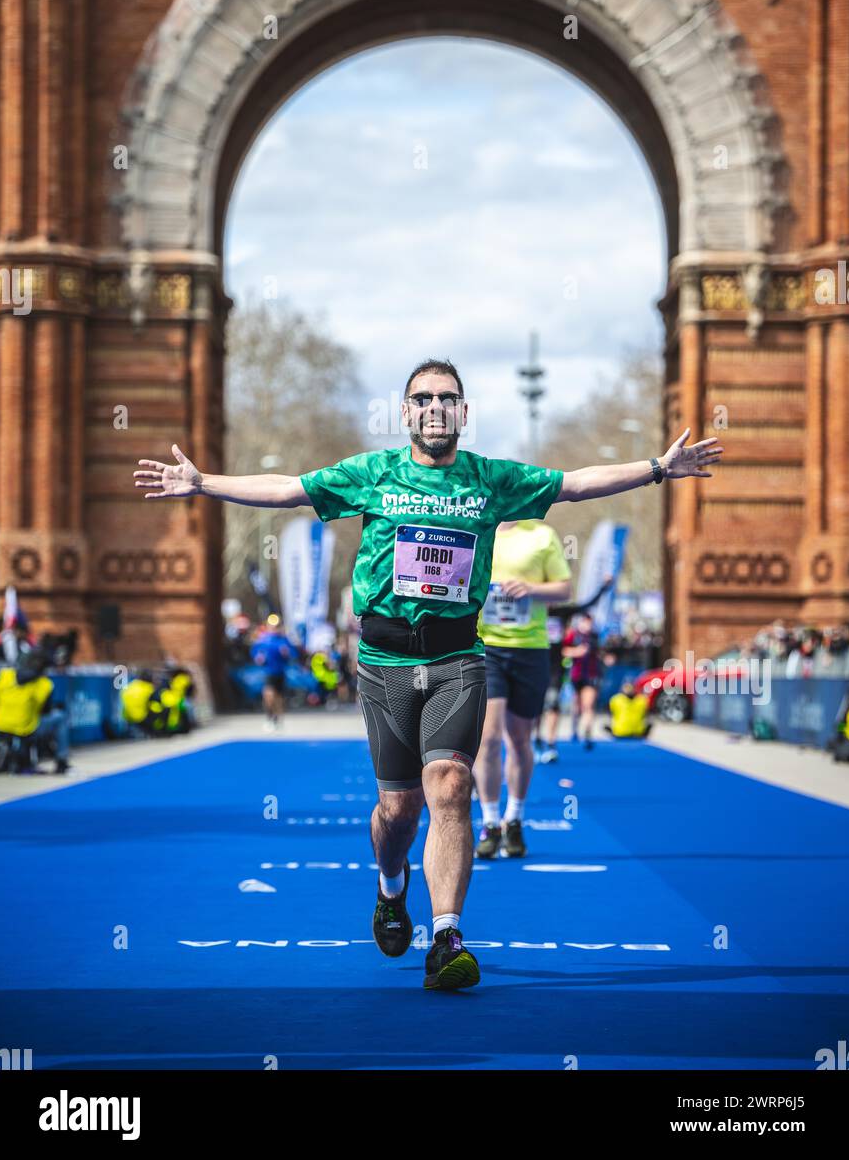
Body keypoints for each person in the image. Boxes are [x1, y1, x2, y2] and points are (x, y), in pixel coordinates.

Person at [134, 357, 722, 991]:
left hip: (458, 658)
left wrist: (658, 469)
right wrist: (203, 483)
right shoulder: (371, 474)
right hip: (385, 663)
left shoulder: (492, 480)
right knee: (397, 810)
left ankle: (446, 939)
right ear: (406, 412)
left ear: (463, 413)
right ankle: (391, 888)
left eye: (448, 399)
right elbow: (287, 489)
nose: (436, 408)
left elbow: (578, 482)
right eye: (423, 399)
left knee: (449, 784)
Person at [473, 519, 572, 859]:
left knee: (519, 739)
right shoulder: (476, 528)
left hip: (531, 648)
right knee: (487, 738)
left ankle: (513, 817)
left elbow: (564, 589)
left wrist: (530, 588)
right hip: (486, 647)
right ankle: (489, 822)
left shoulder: (542, 535)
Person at [537, 574, 614, 761]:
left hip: (555, 667)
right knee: (535, 708)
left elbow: (587, 605)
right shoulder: (531, 610)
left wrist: (603, 588)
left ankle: (551, 743)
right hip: (533, 663)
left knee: (553, 703)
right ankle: (537, 739)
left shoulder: (562, 613)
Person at [0, 652, 71, 773]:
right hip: (26, 728)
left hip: (0, 725)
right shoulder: (44, 684)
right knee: (60, 717)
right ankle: (62, 762)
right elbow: (46, 711)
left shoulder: (5, 675)